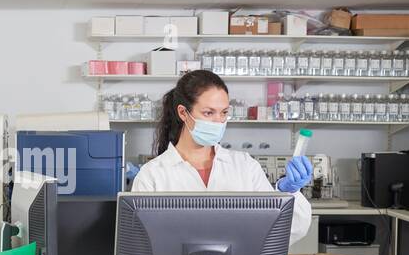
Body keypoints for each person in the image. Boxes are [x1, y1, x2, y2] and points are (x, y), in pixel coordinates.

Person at [132, 69, 313, 244]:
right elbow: (141, 244)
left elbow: (281, 231)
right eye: (208, 113)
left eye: (224, 112)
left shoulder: (244, 166)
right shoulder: (153, 175)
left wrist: (288, 193)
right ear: (183, 113)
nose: (219, 121)